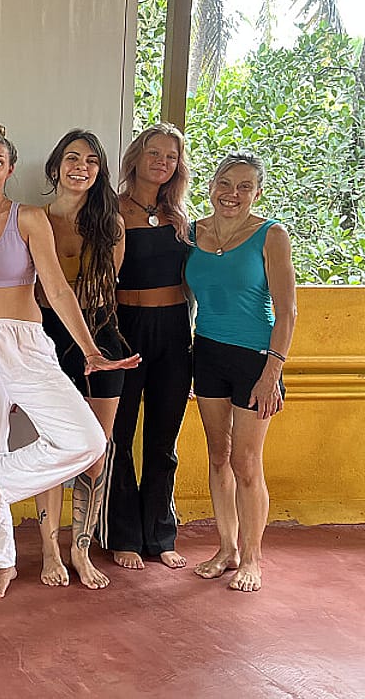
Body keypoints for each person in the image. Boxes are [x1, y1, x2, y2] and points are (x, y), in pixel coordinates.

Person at [0, 122, 139, 599]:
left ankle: (4, 474)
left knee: (87, 440)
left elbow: (56, 287)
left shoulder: (29, 218)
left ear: (10, 169)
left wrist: (91, 351)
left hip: (26, 341)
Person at [187, 153, 296, 592]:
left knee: (246, 462)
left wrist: (273, 372)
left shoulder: (271, 235)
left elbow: (287, 312)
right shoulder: (192, 232)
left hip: (255, 359)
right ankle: (226, 548)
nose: (232, 194)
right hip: (207, 353)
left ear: (258, 192)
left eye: (245, 186)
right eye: (226, 183)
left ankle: (253, 558)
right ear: (211, 185)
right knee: (218, 456)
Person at [32, 130, 126, 590]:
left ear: (99, 172)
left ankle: (80, 547)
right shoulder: (33, 220)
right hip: (48, 338)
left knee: (94, 451)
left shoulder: (111, 224)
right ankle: (50, 548)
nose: (80, 167)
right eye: (72, 158)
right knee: (53, 448)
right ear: (55, 167)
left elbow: (106, 291)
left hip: (102, 337)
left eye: (91, 161)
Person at [107, 123, 192, 571]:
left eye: (172, 156)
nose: (162, 162)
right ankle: (122, 534)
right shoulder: (112, 210)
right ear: (136, 157)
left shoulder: (181, 217)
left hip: (175, 330)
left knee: (163, 440)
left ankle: (160, 535)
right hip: (126, 326)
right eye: (154, 153)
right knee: (119, 435)